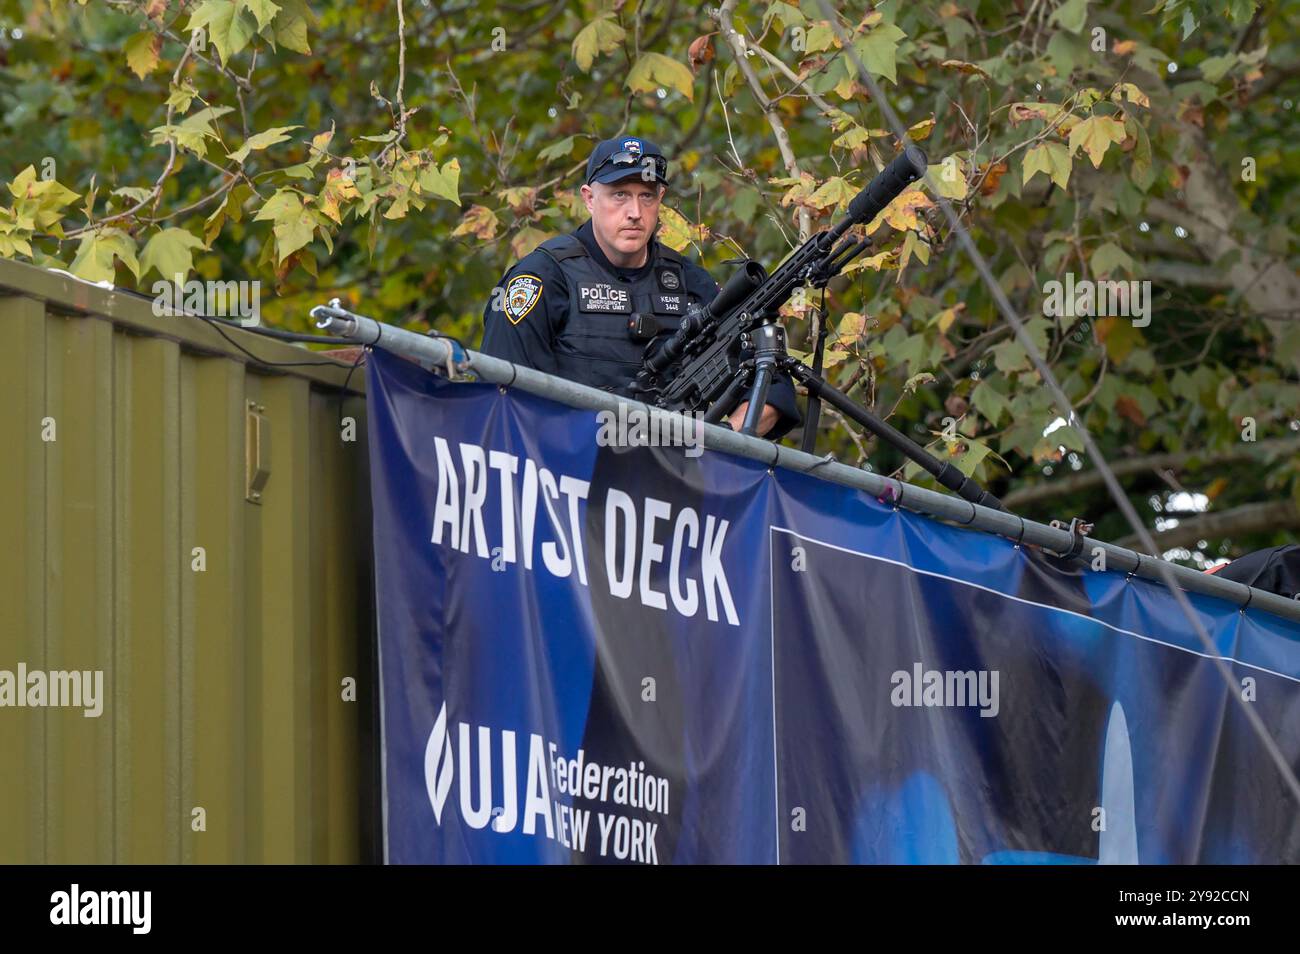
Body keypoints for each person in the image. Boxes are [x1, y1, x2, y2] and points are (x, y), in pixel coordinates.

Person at [478, 135, 800, 439]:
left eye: (646, 196)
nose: (634, 213)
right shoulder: (543, 277)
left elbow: (771, 381)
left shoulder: (691, 283)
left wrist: (722, 438)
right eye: (620, 194)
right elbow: (502, 394)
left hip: (677, 483)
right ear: (589, 198)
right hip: (568, 475)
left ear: (660, 198)